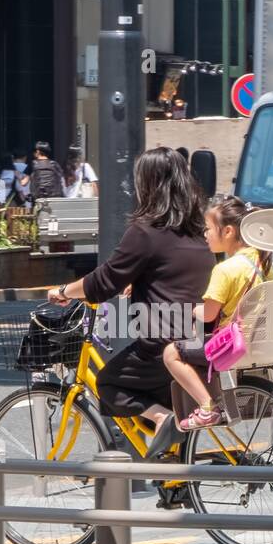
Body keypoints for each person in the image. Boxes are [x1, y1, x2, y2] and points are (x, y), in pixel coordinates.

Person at [47, 147, 215, 457]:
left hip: (162, 346)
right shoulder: (196, 234)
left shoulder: (146, 232)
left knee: (109, 384)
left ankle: (164, 421)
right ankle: (173, 474)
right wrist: (137, 283)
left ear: (148, 184)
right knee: (154, 396)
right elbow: (169, 275)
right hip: (198, 343)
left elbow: (103, 280)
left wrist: (63, 290)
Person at [163, 195, 273, 430]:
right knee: (195, 347)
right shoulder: (263, 262)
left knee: (171, 353)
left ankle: (207, 408)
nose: (205, 234)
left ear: (228, 232)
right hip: (258, 338)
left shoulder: (225, 269)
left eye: (208, 229)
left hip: (231, 344)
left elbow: (209, 315)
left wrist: (194, 310)